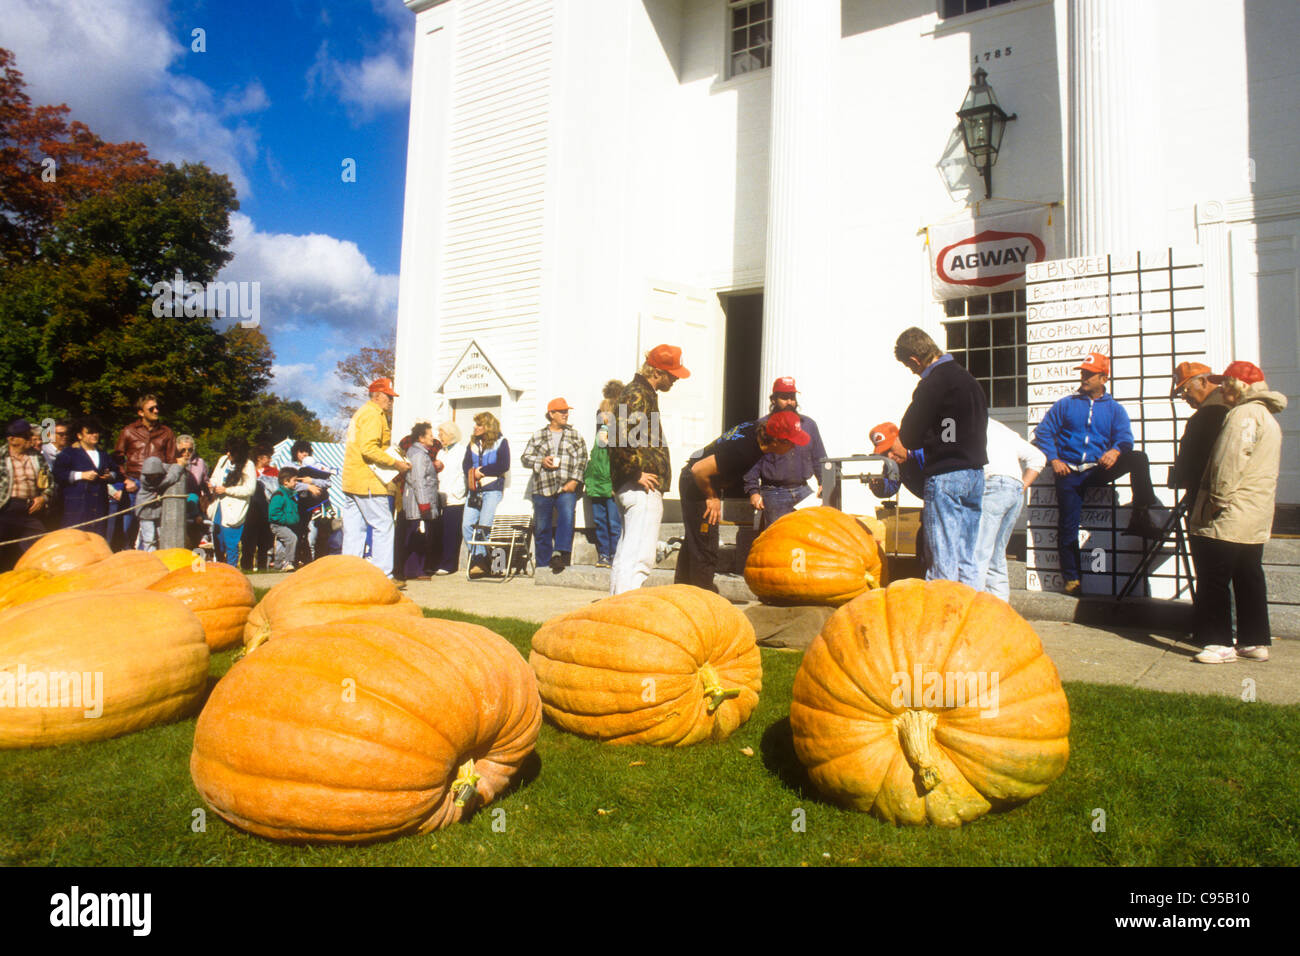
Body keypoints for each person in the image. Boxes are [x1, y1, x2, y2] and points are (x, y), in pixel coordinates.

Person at [1032, 352, 1161, 596]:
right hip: (1069, 471)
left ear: (1103, 378)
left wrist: (1115, 450)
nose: (1084, 378)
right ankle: (1072, 580)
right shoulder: (1066, 404)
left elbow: (1125, 438)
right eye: (1082, 373)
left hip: (1097, 470)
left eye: (1089, 374)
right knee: (1067, 526)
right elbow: (1043, 433)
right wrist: (1054, 459)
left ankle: (1141, 514)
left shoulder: (1115, 410)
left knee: (1138, 458)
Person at [1187, 361, 1286, 664]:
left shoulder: (1242, 415)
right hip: (1254, 513)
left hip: (1230, 511)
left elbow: (1228, 462)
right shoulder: (1267, 417)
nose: (1222, 389)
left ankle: (1219, 643)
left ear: (1238, 385)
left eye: (1226, 383)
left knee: (1214, 575)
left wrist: (1216, 500)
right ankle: (1254, 641)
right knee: (1249, 575)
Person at [894, 327, 988, 585]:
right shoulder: (969, 380)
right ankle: (970, 617)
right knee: (967, 558)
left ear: (915, 360)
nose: (912, 372)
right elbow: (959, 428)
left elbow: (909, 435)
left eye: (909, 366)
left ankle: (942, 619)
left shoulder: (932, 383)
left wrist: (930, 439)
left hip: (946, 475)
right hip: (975, 474)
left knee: (942, 560)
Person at [676, 411, 808, 592]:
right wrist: (711, 496)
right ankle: (701, 600)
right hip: (696, 484)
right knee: (705, 548)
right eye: (791, 442)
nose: (794, 447)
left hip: (698, 479)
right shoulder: (744, 450)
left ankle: (681, 594)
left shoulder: (755, 428)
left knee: (695, 542)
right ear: (777, 441)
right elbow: (699, 470)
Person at [609, 344, 689, 594]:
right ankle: (625, 612)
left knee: (628, 554)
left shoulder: (641, 393)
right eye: (672, 373)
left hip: (635, 486)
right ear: (657, 371)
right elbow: (619, 437)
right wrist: (635, 473)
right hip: (641, 487)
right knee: (639, 558)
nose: (676, 378)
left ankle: (615, 608)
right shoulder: (638, 395)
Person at [341, 378, 411, 578]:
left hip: (352, 480)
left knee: (354, 531)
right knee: (383, 526)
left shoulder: (361, 413)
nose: (391, 401)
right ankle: (383, 576)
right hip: (368, 481)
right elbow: (369, 449)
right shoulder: (373, 414)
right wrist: (396, 463)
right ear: (378, 395)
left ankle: (349, 576)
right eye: (389, 397)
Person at [973, 419, 1045, 600]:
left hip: (991, 485)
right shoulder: (1003, 429)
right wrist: (1021, 487)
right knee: (996, 555)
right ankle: (1000, 613)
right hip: (1013, 490)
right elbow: (1038, 458)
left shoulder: (967, 422)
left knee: (978, 553)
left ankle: (973, 611)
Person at [743, 377, 828, 530]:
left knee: (811, 533)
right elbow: (752, 463)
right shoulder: (761, 426)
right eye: (784, 397)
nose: (789, 402)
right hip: (774, 493)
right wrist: (753, 491)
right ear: (773, 399)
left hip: (803, 491)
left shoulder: (808, 425)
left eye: (792, 397)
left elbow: (819, 457)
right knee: (778, 539)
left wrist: (824, 482)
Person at [522, 398, 589, 573]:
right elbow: (525, 458)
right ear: (551, 414)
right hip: (543, 487)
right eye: (562, 411)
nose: (566, 414)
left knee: (566, 517)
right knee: (542, 525)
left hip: (567, 486)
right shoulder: (538, 435)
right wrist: (541, 460)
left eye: (567, 411)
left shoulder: (575, 435)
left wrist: (574, 481)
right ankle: (543, 565)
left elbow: (582, 460)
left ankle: (559, 556)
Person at [112, 394, 175, 549]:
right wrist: (125, 480)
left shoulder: (166, 433)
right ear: (141, 412)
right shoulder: (128, 431)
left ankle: (147, 564)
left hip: (155, 487)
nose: (156, 410)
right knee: (128, 528)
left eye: (157, 407)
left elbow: (171, 461)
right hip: (133, 484)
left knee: (152, 531)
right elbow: (117, 459)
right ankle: (126, 560)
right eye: (151, 408)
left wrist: (163, 486)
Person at [866, 421, 930, 572]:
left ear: (902, 439)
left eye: (890, 449)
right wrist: (879, 487)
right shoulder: (893, 462)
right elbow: (890, 487)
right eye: (883, 453)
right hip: (930, 504)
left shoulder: (923, 452)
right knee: (923, 546)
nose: (889, 456)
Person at [1168, 361, 1229, 507]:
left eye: (1185, 389)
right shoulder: (1226, 405)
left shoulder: (1210, 413)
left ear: (1202, 381)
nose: (1184, 396)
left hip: (1209, 498)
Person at [53, 417, 122, 540]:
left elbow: (116, 472)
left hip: (99, 507)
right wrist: (80, 475)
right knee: (74, 541)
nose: (94, 435)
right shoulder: (69, 453)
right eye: (89, 432)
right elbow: (57, 473)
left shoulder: (103, 454)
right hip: (76, 507)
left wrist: (110, 476)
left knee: (97, 540)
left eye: (96, 432)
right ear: (80, 435)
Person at [462, 412, 510, 579]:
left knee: (484, 526)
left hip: (492, 489)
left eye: (479, 425)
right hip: (474, 490)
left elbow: (504, 465)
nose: (475, 428)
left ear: (488, 427)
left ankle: (486, 563)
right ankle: (479, 559)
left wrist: (481, 471)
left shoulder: (501, 442)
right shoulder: (473, 444)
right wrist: (472, 473)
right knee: (467, 525)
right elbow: (466, 464)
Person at [1, 419, 53, 570]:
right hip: (5, 509)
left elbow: (51, 483)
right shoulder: (1, 456)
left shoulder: (37, 457)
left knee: (40, 547)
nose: (31, 440)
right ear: (12, 439)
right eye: (26, 436)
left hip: (31, 510)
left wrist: (44, 498)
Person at [585, 382, 624, 568]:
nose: (601, 416)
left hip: (610, 483)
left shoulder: (618, 435)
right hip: (596, 481)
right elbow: (596, 455)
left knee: (613, 522)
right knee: (600, 521)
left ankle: (615, 555)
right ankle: (604, 555)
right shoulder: (600, 432)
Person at [395, 422, 440, 582]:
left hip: (418, 501)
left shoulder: (419, 453)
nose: (433, 438)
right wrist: (424, 504)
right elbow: (418, 480)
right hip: (417, 502)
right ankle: (412, 570)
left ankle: (414, 569)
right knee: (416, 535)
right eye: (430, 434)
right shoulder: (419, 455)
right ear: (421, 438)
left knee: (417, 535)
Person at [210, 436, 258, 566]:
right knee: (218, 542)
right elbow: (215, 477)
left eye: (231, 451)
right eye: (227, 450)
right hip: (218, 507)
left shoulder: (248, 465)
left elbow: (250, 489)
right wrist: (212, 484)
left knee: (230, 544)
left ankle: (232, 572)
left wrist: (227, 490)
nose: (227, 454)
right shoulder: (223, 460)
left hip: (234, 510)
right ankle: (220, 569)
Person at [290, 440, 333, 564]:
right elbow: (288, 484)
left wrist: (312, 481)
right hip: (297, 506)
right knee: (298, 534)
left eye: (307, 452)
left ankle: (311, 561)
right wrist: (306, 487)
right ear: (296, 453)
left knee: (313, 534)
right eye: (301, 452)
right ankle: (295, 559)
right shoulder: (290, 466)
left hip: (315, 507)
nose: (304, 454)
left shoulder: (316, 467)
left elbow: (328, 482)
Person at [434, 421, 465, 575]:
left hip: (454, 498)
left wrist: (457, 492)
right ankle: (439, 561)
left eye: (442, 434)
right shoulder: (441, 452)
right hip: (441, 496)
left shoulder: (461, 451)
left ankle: (449, 564)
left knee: (451, 532)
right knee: (440, 531)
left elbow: (463, 474)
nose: (439, 437)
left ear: (451, 434)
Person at [134, 455, 184, 552]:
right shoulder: (146, 480)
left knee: (161, 536)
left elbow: (168, 467)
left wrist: (177, 464)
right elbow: (170, 478)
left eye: (154, 474)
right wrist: (179, 466)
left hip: (157, 511)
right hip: (145, 511)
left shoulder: (161, 470)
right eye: (150, 474)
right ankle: (152, 559)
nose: (152, 477)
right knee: (149, 539)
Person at [240, 444, 277, 573]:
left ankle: (262, 569)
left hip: (266, 511)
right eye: (268, 457)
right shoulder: (247, 470)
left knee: (264, 543)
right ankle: (246, 568)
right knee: (248, 543)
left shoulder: (273, 472)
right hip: (250, 512)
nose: (270, 460)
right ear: (260, 458)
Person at [268, 467, 301, 572]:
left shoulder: (290, 495)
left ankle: (278, 564)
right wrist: (286, 520)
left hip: (286, 524)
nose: (296, 483)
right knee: (292, 538)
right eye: (294, 480)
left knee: (282, 545)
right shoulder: (279, 495)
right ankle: (288, 562)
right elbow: (273, 514)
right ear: (286, 482)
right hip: (278, 524)